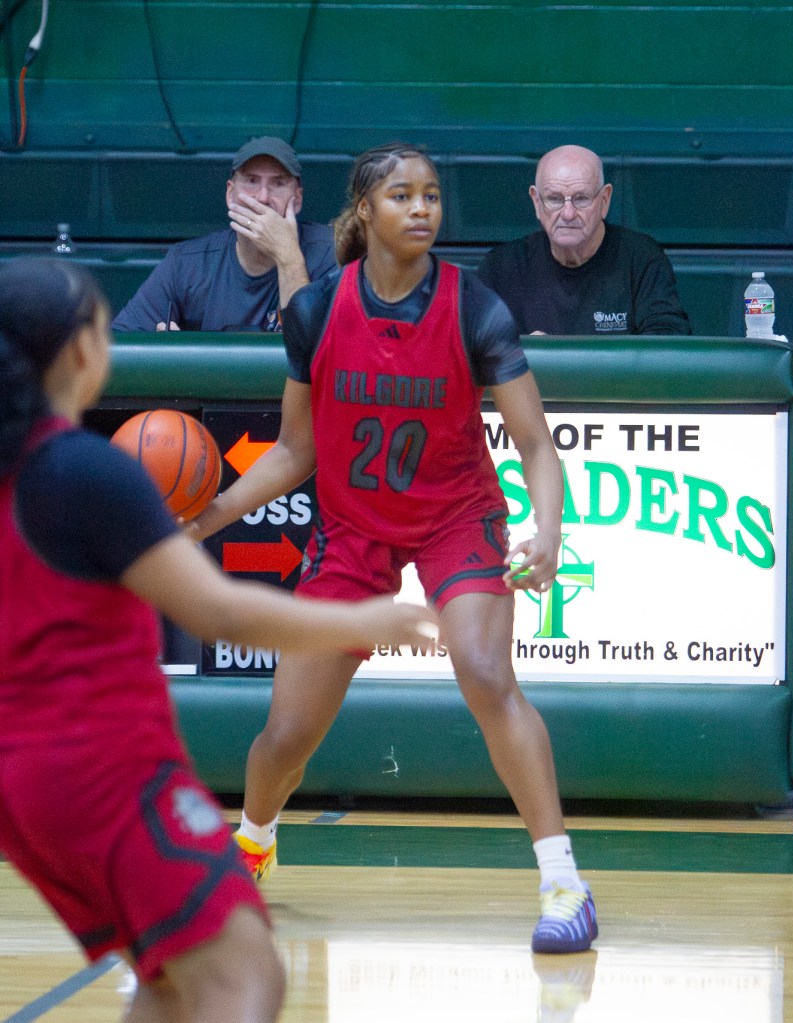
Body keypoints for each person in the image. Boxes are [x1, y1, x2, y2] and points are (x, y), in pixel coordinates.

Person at [188, 142, 599, 955]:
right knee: (284, 740)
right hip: (352, 530)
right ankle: (255, 839)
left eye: (433, 196)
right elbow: (295, 450)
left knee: (486, 673)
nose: (422, 209)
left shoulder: (476, 307)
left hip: (457, 517)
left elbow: (536, 444)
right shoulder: (314, 312)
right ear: (365, 212)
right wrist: (207, 515)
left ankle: (564, 881)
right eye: (403, 196)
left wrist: (548, 528)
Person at [0, 257, 436, 1022]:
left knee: (174, 983)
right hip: (101, 769)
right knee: (246, 975)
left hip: (25, 786)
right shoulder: (84, 471)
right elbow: (220, 613)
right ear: (79, 351)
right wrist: (361, 620)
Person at [112, 136, 337, 333]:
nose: (263, 197)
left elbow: (318, 355)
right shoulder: (187, 263)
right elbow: (121, 345)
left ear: (297, 199)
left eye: (278, 183)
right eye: (251, 181)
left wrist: (288, 257)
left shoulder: (331, 253)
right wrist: (172, 351)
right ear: (230, 194)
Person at [477, 144, 691, 336]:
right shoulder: (501, 267)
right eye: (554, 199)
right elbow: (472, 353)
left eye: (581, 199)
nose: (568, 213)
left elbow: (670, 346)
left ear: (604, 200)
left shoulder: (641, 258)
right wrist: (523, 355)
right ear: (536, 202)